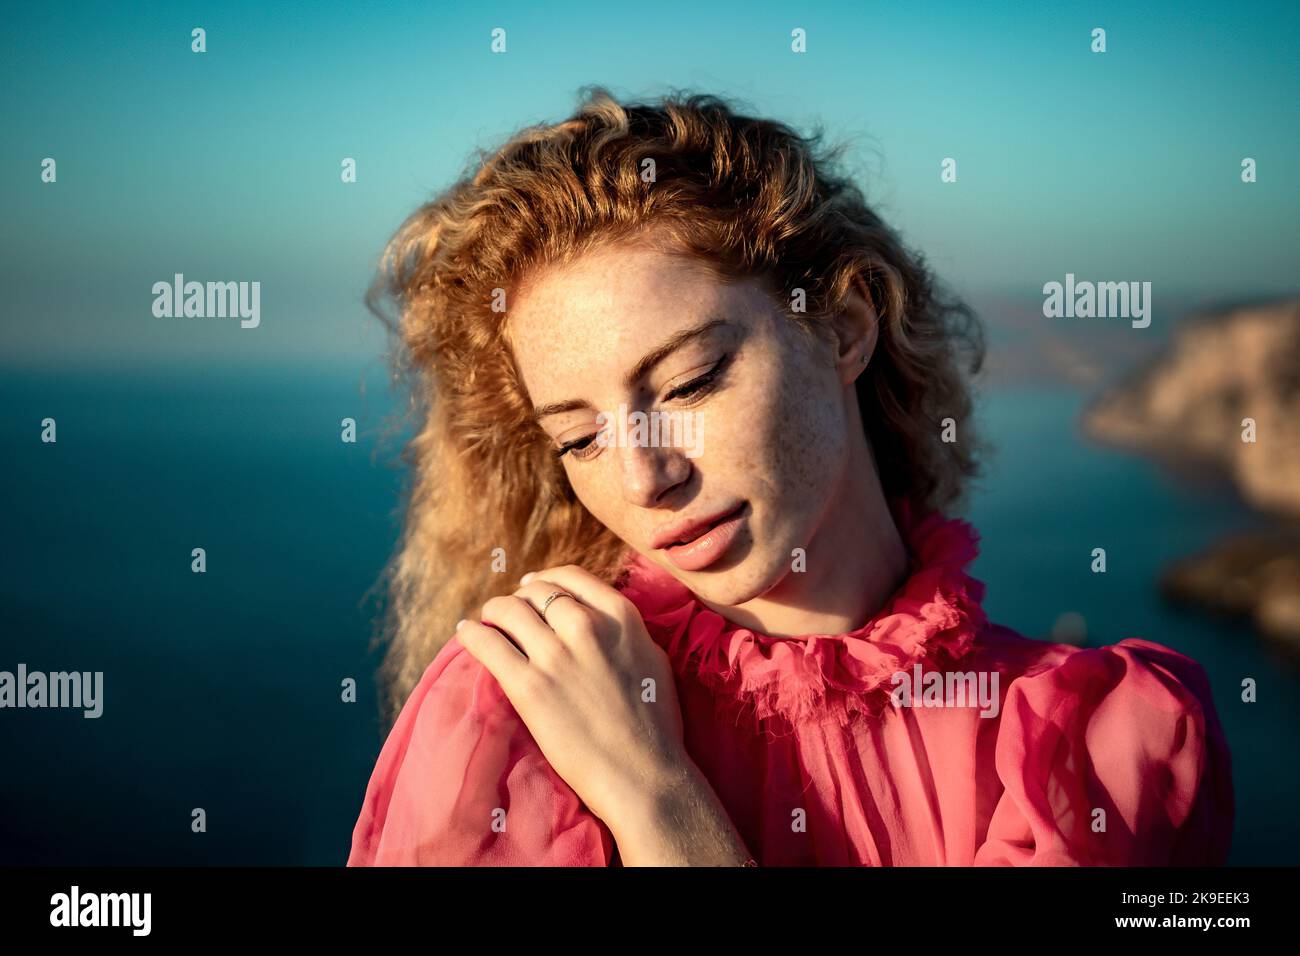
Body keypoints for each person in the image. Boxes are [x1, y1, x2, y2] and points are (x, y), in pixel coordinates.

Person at [347, 88, 1234, 866]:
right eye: (578, 438)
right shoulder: (521, 717)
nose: (645, 476)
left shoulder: (1100, 748)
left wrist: (661, 805)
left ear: (842, 329)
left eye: (691, 382)